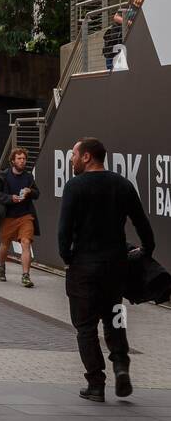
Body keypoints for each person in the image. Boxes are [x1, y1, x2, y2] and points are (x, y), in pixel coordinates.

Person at [58, 137, 155, 403]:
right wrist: (147, 249)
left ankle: (96, 383)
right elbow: (141, 222)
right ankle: (121, 365)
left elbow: (64, 230)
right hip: (115, 266)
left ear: (87, 156)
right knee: (114, 315)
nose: (72, 160)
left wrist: (67, 257)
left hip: (84, 266)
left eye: (74, 155)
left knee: (85, 325)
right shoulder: (122, 185)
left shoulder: (75, 187)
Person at [0, 147, 40, 287]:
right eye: (19, 158)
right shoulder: (4, 176)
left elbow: (37, 194)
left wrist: (30, 191)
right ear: (13, 161)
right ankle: (1, 267)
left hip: (25, 215)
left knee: (26, 243)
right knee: (5, 244)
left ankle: (25, 276)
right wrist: (10, 198)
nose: (22, 161)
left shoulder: (29, 177)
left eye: (24, 158)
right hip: (8, 216)